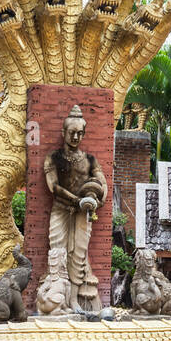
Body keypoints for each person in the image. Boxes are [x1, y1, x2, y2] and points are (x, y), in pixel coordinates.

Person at [44, 105, 107, 312]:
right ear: (63, 132)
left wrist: (98, 198)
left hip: (84, 212)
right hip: (62, 209)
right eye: (72, 132)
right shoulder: (54, 157)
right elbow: (53, 186)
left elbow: (101, 182)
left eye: (80, 133)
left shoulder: (89, 160)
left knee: (79, 254)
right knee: (58, 249)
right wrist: (76, 200)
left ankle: (73, 300)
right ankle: (55, 297)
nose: (76, 137)